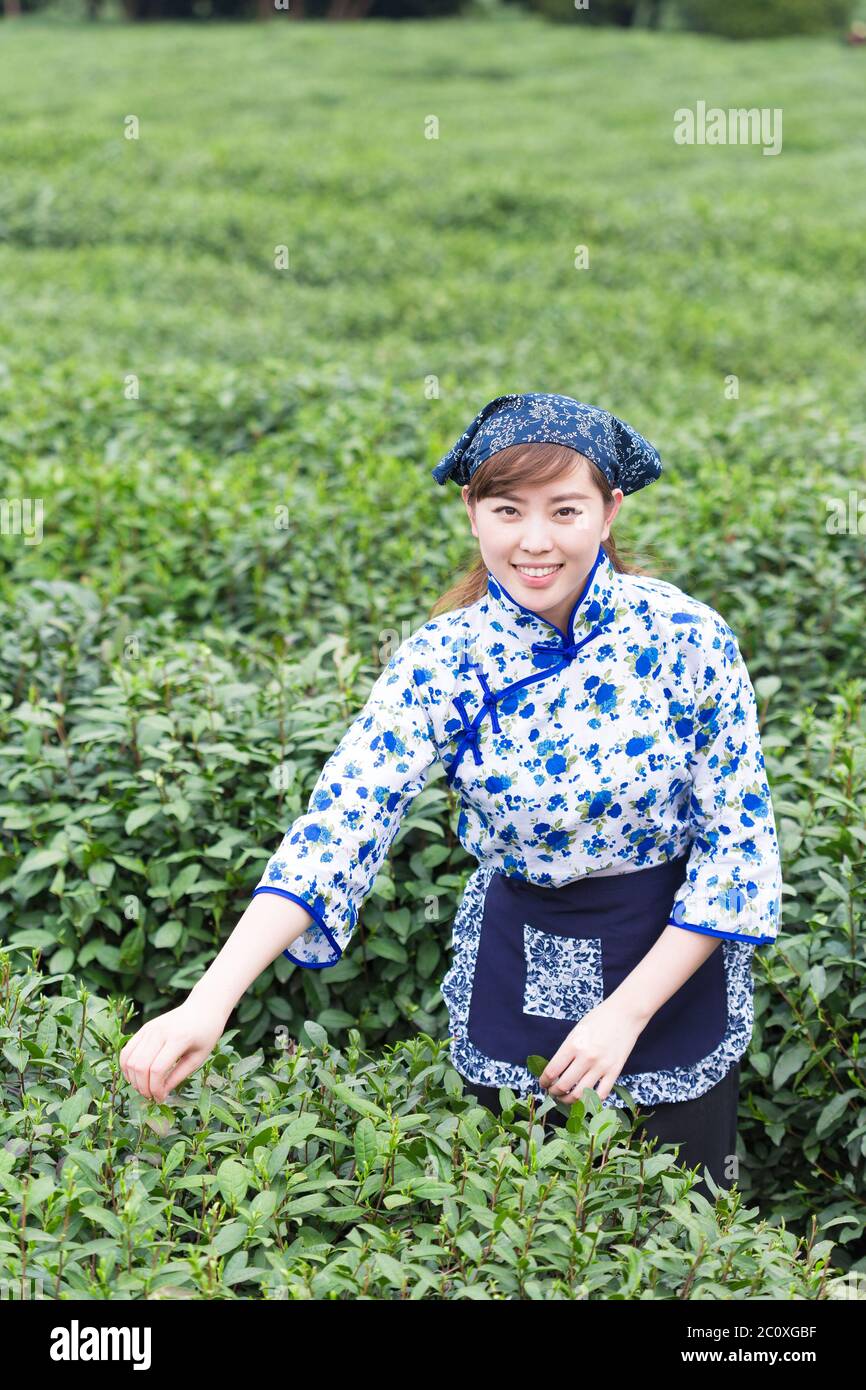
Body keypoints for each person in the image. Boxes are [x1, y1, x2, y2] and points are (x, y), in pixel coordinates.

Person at [119, 392, 782, 1203]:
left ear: (609, 512)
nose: (534, 541)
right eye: (507, 510)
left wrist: (627, 1014)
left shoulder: (687, 638)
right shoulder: (444, 657)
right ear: (473, 513)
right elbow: (343, 821)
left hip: (670, 966)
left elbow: (737, 852)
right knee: (519, 1225)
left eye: (565, 510)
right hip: (521, 957)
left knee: (680, 1231)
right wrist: (206, 1003)